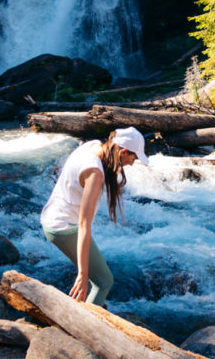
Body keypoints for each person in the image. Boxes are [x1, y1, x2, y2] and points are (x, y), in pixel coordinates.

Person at [40, 126, 148, 305]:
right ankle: (80, 329)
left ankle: (76, 313)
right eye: (133, 157)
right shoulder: (94, 173)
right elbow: (84, 224)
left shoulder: (93, 146)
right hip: (63, 226)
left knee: (93, 281)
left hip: (53, 216)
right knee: (104, 281)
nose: (132, 163)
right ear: (123, 151)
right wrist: (82, 274)